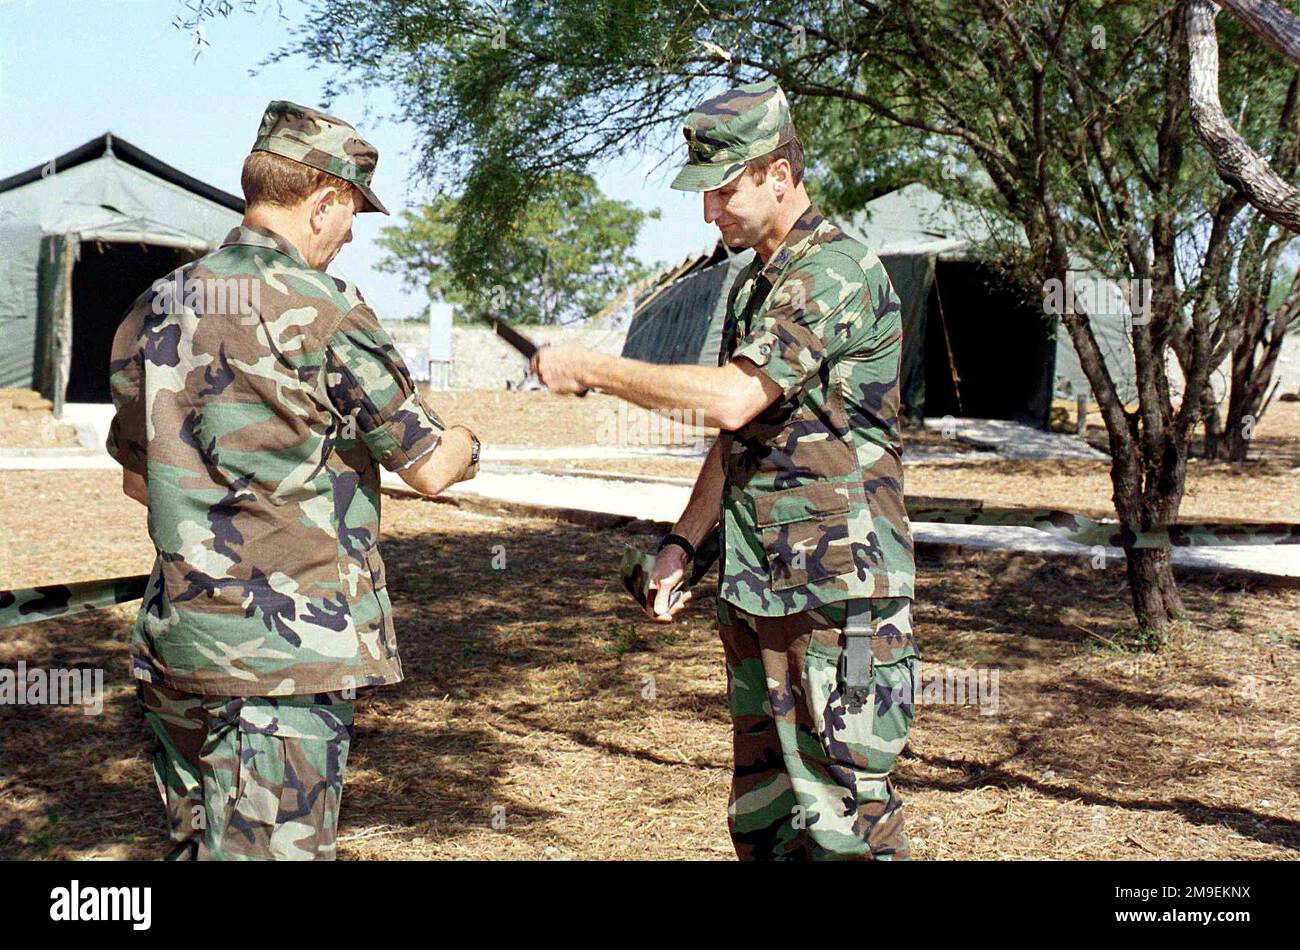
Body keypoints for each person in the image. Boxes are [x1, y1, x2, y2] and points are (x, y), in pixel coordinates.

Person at [532, 80, 919, 860]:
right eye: (703, 195)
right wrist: (684, 544)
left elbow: (734, 400)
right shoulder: (756, 284)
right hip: (761, 583)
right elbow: (738, 443)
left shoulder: (834, 271)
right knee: (769, 815)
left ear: (780, 174)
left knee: (845, 816)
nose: (711, 213)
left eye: (724, 191)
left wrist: (597, 368)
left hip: (836, 596)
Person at [105, 100, 480, 860]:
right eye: (350, 218)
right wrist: (474, 442)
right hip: (283, 665)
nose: (347, 239)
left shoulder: (157, 304)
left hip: (180, 650)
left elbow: (142, 482)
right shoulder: (325, 310)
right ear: (325, 201)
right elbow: (433, 466)